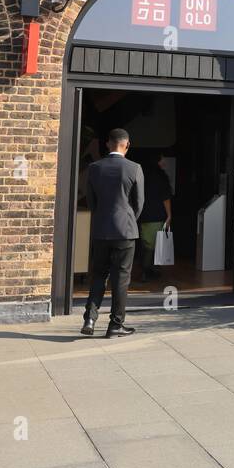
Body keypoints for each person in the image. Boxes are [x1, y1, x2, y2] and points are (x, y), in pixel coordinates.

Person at [82, 128, 144, 338]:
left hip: (101, 230)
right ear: (127, 145)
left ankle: (90, 319)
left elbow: (91, 201)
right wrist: (127, 221)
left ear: (108, 144)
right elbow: (139, 203)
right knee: (121, 279)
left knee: (99, 275)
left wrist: (102, 218)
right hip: (125, 231)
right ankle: (116, 324)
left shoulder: (94, 168)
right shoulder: (134, 168)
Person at [135, 152, 172, 282]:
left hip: (143, 215)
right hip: (157, 215)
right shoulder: (162, 177)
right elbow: (165, 197)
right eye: (162, 159)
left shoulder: (142, 175)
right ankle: (148, 270)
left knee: (147, 243)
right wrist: (169, 215)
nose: (164, 162)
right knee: (153, 245)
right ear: (157, 161)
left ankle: (147, 269)